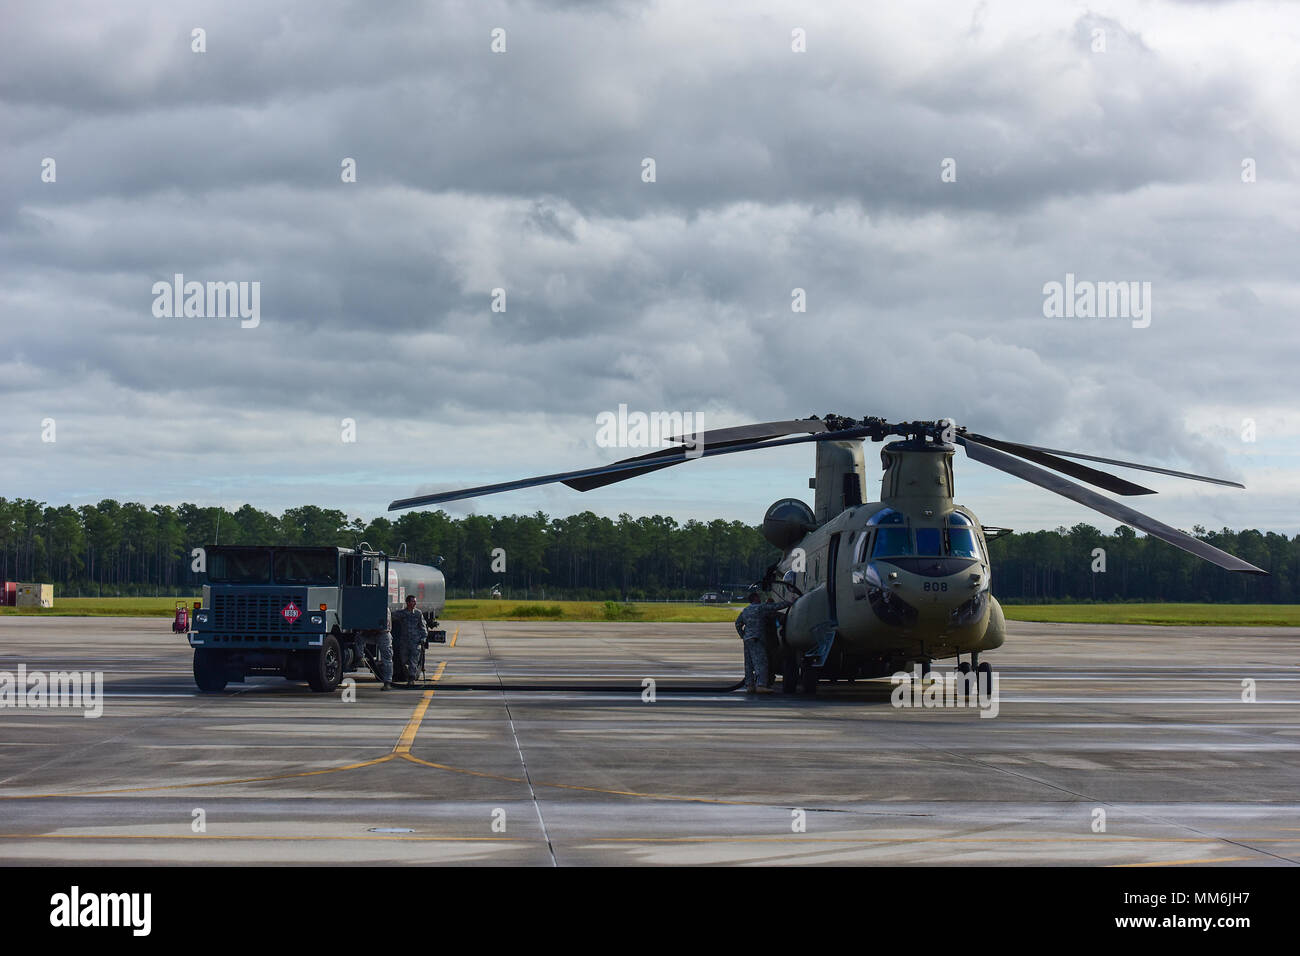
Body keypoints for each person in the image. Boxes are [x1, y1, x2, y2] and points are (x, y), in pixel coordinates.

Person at [734, 591, 790, 694]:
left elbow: (738, 623)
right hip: (757, 639)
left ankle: (750, 685)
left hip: (747, 640)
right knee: (762, 663)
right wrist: (790, 602)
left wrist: (743, 635)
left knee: (749, 664)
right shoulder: (760, 608)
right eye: (758, 597)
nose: (760, 599)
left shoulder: (745, 610)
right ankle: (761, 685)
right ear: (755, 598)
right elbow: (776, 607)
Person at [391, 594, 427, 688]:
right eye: (412, 601)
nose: (414, 603)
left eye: (415, 601)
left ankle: (411, 679)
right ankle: (408, 675)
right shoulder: (402, 613)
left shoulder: (418, 613)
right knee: (404, 661)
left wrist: (423, 638)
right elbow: (391, 616)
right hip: (404, 642)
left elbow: (423, 627)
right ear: (407, 603)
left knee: (413, 661)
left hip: (415, 642)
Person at [361, 604, 394, 691]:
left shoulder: (384, 609)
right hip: (372, 633)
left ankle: (387, 682)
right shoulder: (370, 607)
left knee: (387, 658)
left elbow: (383, 625)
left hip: (383, 634)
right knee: (358, 638)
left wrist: (368, 632)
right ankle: (359, 657)